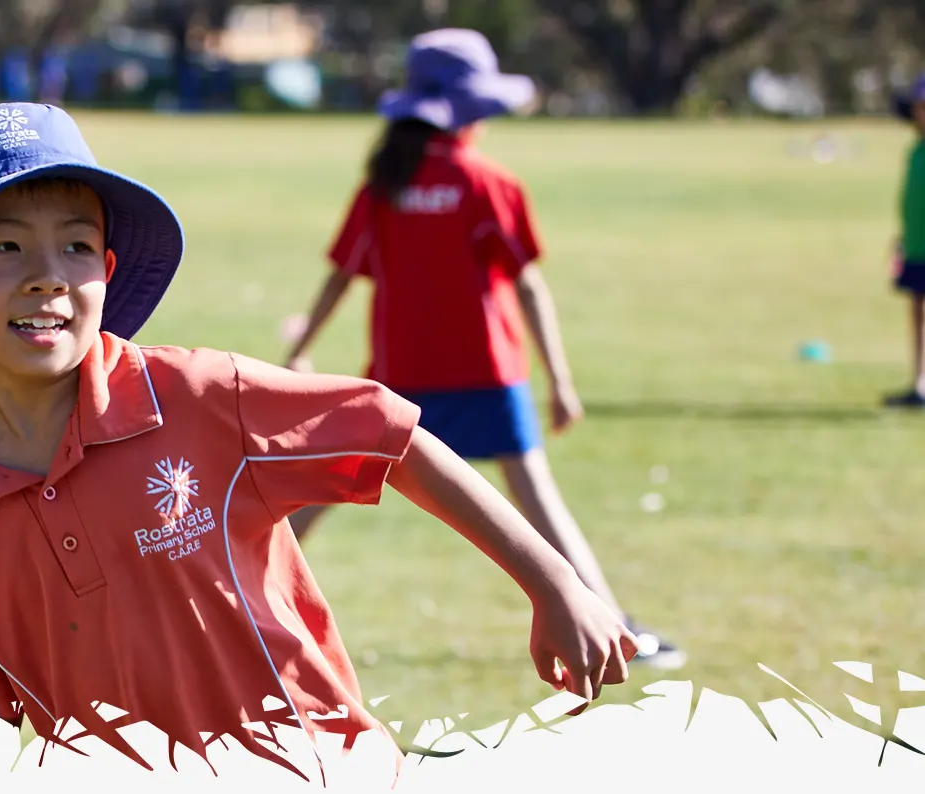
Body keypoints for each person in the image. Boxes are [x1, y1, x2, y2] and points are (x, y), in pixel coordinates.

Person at [0, 101, 640, 777]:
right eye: (2, 246)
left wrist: (552, 581)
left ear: (107, 267)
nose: (48, 274)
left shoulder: (201, 398)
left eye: (76, 245)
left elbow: (392, 438)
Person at [280, 29, 683, 669]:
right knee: (538, 505)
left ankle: (229, 591)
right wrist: (561, 380)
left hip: (400, 378)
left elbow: (340, 274)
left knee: (319, 492)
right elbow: (529, 288)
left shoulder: (384, 182)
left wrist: (301, 346)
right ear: (471, 110)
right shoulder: (487, 181)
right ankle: (614, 626)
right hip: (489, 375)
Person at [884, 74, 925, 409]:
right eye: (919, 108)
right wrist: (902, 240)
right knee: (917, 314)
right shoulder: (915, 151)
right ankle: (920, 384)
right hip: (916, 247)